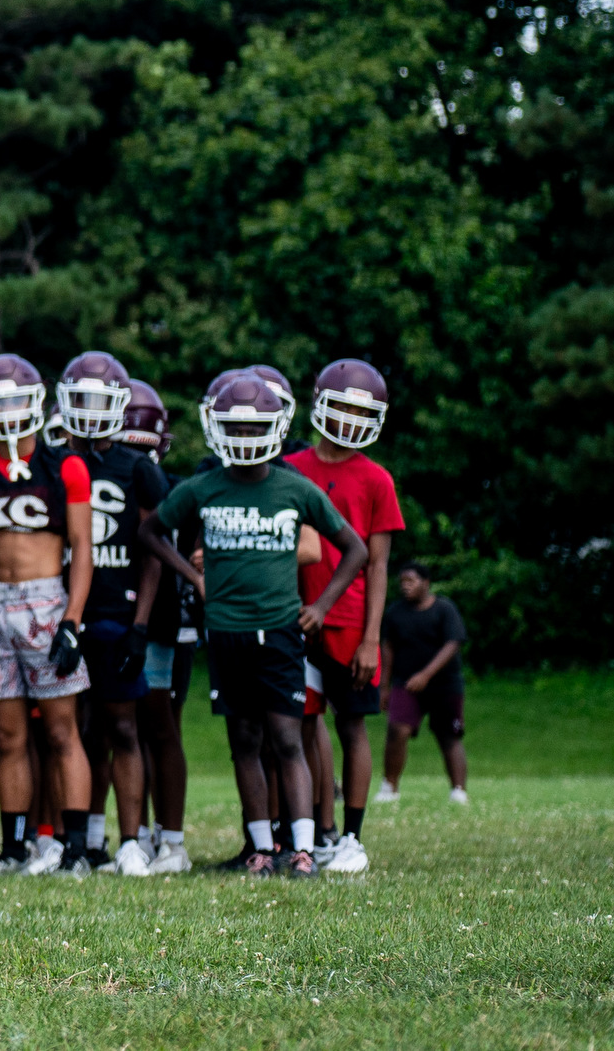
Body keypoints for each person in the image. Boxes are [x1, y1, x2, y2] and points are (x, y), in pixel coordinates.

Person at [145, 373, 370, 878]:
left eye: (255, 429)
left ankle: (304, 849)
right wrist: (194, 580)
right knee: (243, 741)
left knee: (287, 740)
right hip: (226, 633)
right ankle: (261, 848)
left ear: (275, 428)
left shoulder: (294, 486)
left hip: (280, 633)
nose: (245, 439)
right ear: (217, 427)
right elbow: (151, 531)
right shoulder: (204, 487)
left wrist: (323, 606)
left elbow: (355, 548)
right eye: (236, 429)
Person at [0, 353, 94, 877]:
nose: (9, 412)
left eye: (16, 401)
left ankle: (75, 849)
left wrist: (72, 619)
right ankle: (13, 851)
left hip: (45, 601)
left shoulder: (65, 466)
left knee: (62, 732)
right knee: (7, 738)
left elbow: (82, 547)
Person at [285, 359, 406, 873]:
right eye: (345, 407)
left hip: (351, 621)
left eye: (363, 411)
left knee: (352, 725)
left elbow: (377, 565)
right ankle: (320, 830)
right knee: (304, 724)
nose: (352, 420)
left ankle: (352, 838)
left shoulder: (376, 479)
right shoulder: (289, 466)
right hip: (292, 618)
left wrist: (372, 637)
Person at [57, 351, 168, 875]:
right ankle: (80, 839)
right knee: (70, 731)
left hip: (116, 615)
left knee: (122, 728)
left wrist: (141, 625)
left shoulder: (136, 468)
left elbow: (152, 552)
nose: (90, 411)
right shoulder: (52, 462)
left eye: (100, 400)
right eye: (81, 399)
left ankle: (130, 840)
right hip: (60, 614)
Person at [121, 380, 193, 873]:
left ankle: (170, 840)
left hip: (160, 619)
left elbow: (159, 550)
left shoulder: (161, 484)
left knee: (157, 726)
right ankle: (142, 834)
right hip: (120, 614)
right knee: (125, 729)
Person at [378, 559, 469, 804]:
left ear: (426, 583)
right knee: (397, 730)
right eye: (402, 582)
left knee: (449, 735)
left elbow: (453, 644)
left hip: (444, 685)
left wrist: (426, 675)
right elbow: (388, 648)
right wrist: (383, 686)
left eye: (411, 581)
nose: (405, 586)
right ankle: (389, 787)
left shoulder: (444, 609)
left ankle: (458, 790)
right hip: (405, 684)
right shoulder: (395, 613)